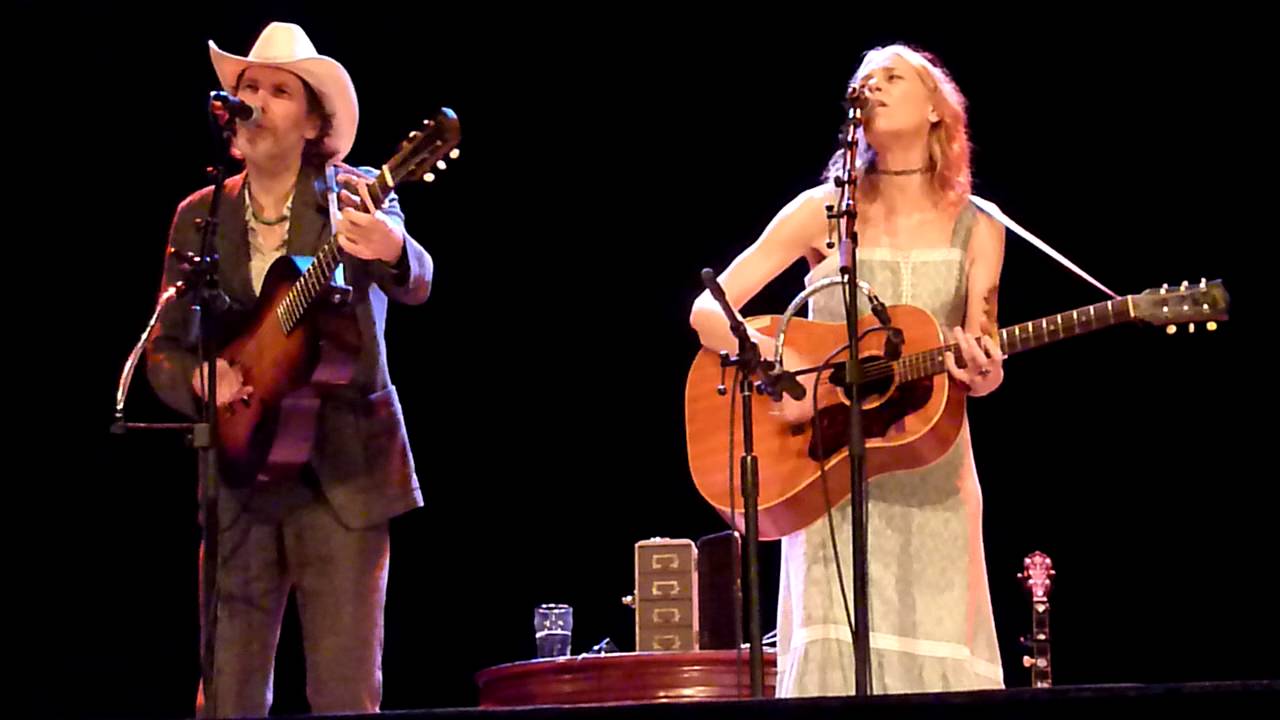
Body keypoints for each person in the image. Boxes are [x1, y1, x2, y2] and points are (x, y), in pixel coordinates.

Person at [689, 44, 1006, 695]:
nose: (875, 88)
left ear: (937, 112)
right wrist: (785, 363)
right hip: (830, 465)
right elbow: (707, 309)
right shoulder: (821, 212)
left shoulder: (980, 226)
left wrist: (983, 369)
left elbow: (983, 355)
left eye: (894, 78)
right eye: (865, 81)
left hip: (935, 473)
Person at [145, 21, 433, 717]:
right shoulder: (201, 216)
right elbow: (163, 347)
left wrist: (393, 247)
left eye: (279, 91)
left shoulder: (355, 193)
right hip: (239, 481)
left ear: (312, 123)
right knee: (229, 693)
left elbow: (417, 278)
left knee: (342, 693)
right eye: (249, 87)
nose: (258, 101)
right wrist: (197, 379)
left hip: (345, 472)